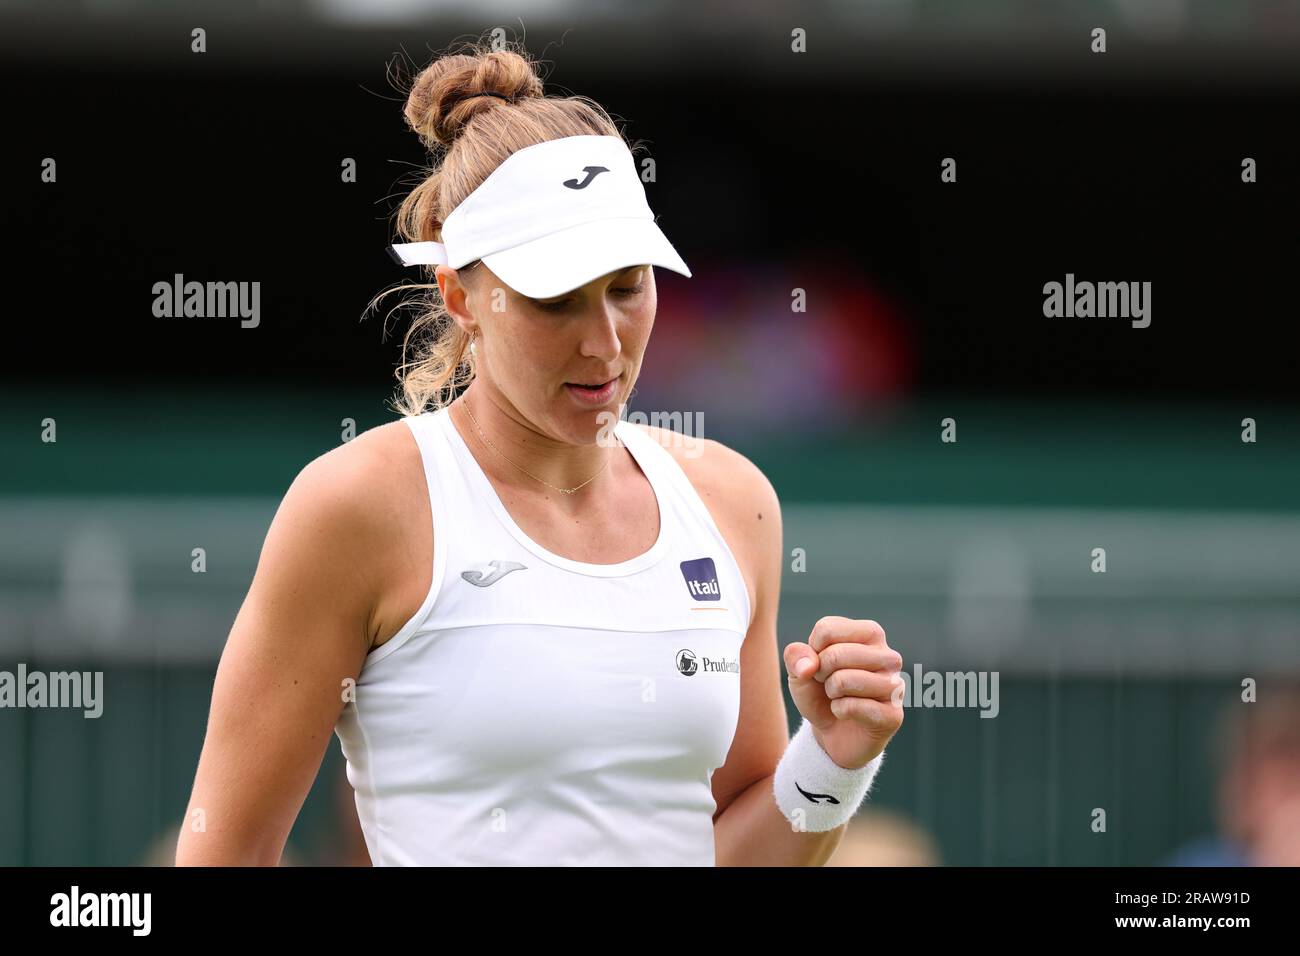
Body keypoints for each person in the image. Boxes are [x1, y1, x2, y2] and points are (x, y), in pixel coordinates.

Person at [175, 38, 903, 867]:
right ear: (461, 295)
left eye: (628, 287)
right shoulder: (357, 505)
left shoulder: (736, 502)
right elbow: (223, 852)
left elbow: (737, 851)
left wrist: (836, 760)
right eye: (556, 300)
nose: (605, 343)